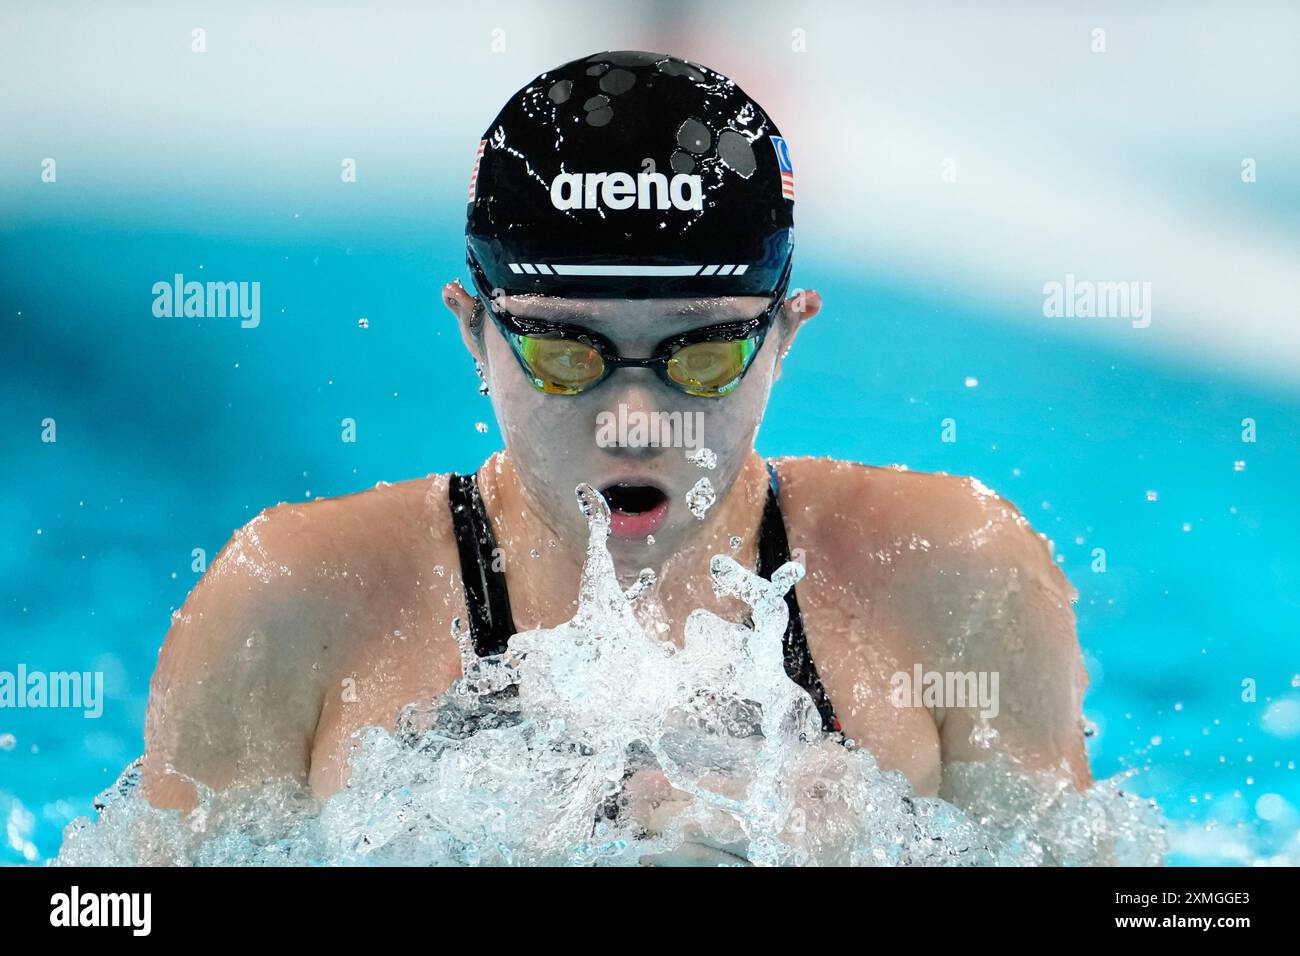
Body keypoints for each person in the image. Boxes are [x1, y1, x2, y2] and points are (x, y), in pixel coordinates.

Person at [139, 51, 1091, 862]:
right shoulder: (290, 601)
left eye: (704, 354)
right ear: (474, 335)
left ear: (785, 339)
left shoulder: (957, 574)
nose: (637, 421)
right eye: (566, 353)